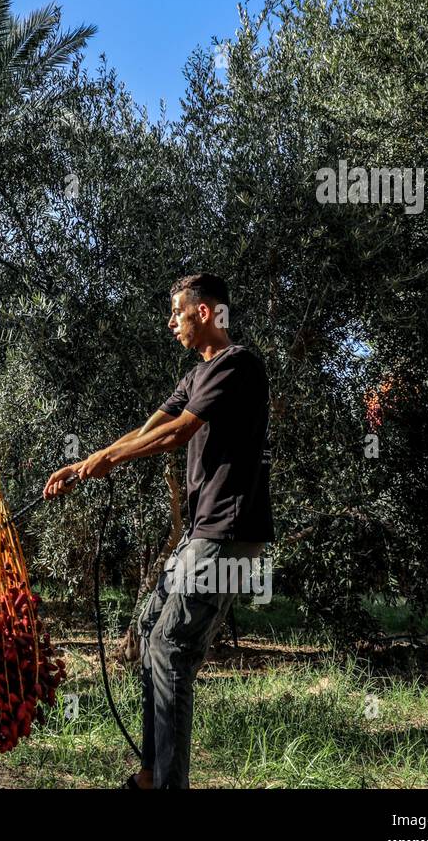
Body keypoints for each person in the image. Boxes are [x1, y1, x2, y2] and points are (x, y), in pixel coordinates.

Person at [42, 273, 272, 789]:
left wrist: (110, 458)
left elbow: (178, 432)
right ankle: (151, 773)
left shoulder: (237, 365)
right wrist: (86, 464)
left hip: (228, 532)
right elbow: (150, 427)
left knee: (171, 645)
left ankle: (168, 784)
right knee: (150, 632)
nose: (171, 323)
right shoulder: (197, 375)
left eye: (177, 312)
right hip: (202, 533)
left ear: (206, 312)